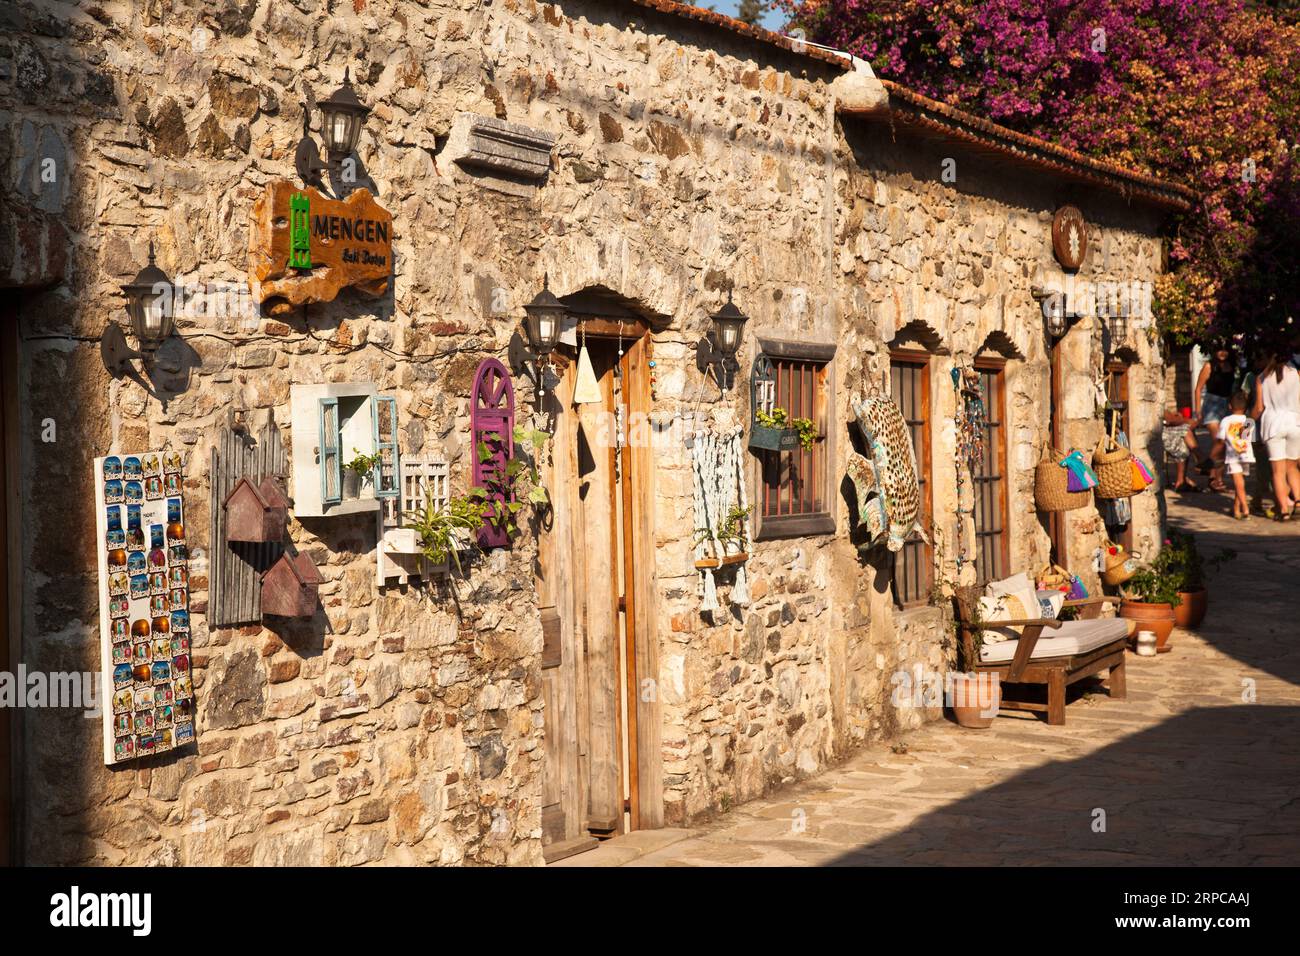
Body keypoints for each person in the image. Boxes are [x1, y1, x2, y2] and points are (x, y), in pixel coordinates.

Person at [1252, 352, 1300, 521]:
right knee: (1292, 467)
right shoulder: (1296, 373)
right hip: (1294, 423)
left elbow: (1258, 408)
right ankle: (1299, 502)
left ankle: (1284, 511)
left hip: (1273, 425)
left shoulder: (1262, 378)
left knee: (1278, 472)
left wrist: (1245, 427)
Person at [1194, 348, 1237, 493]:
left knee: (1225, 445)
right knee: (1220, 440)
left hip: (1227, 405)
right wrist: (1198, 410)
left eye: (1225, 350)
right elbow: (1198, 389)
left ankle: (1216, 478)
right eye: (1219, 350)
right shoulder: (1209, 366)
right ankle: (1207, 467)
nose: (1222, 353)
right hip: (1211, 404)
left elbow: (1232, 389)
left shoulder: (1231, 366)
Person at [1219, 392, 1255, 520]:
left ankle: (1245, 508)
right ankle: (1236, 509)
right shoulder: (1249, 421)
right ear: (1245, 407)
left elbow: (1221, 439)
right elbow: (1247, 439)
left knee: (1238, 482)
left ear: (1229, 406)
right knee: (1240, 482)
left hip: (1233, 455)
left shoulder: (1226, 421)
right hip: (1245, 455)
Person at [1162, 404, 1201, 492]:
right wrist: (1185, 420)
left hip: (1165, 429)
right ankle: (1199, 458)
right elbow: (1169, 419)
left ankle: (1181, 481)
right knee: (1185, 430)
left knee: (1183, 438)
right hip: (1160, 433)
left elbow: (1168, 417)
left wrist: (1177, 417)